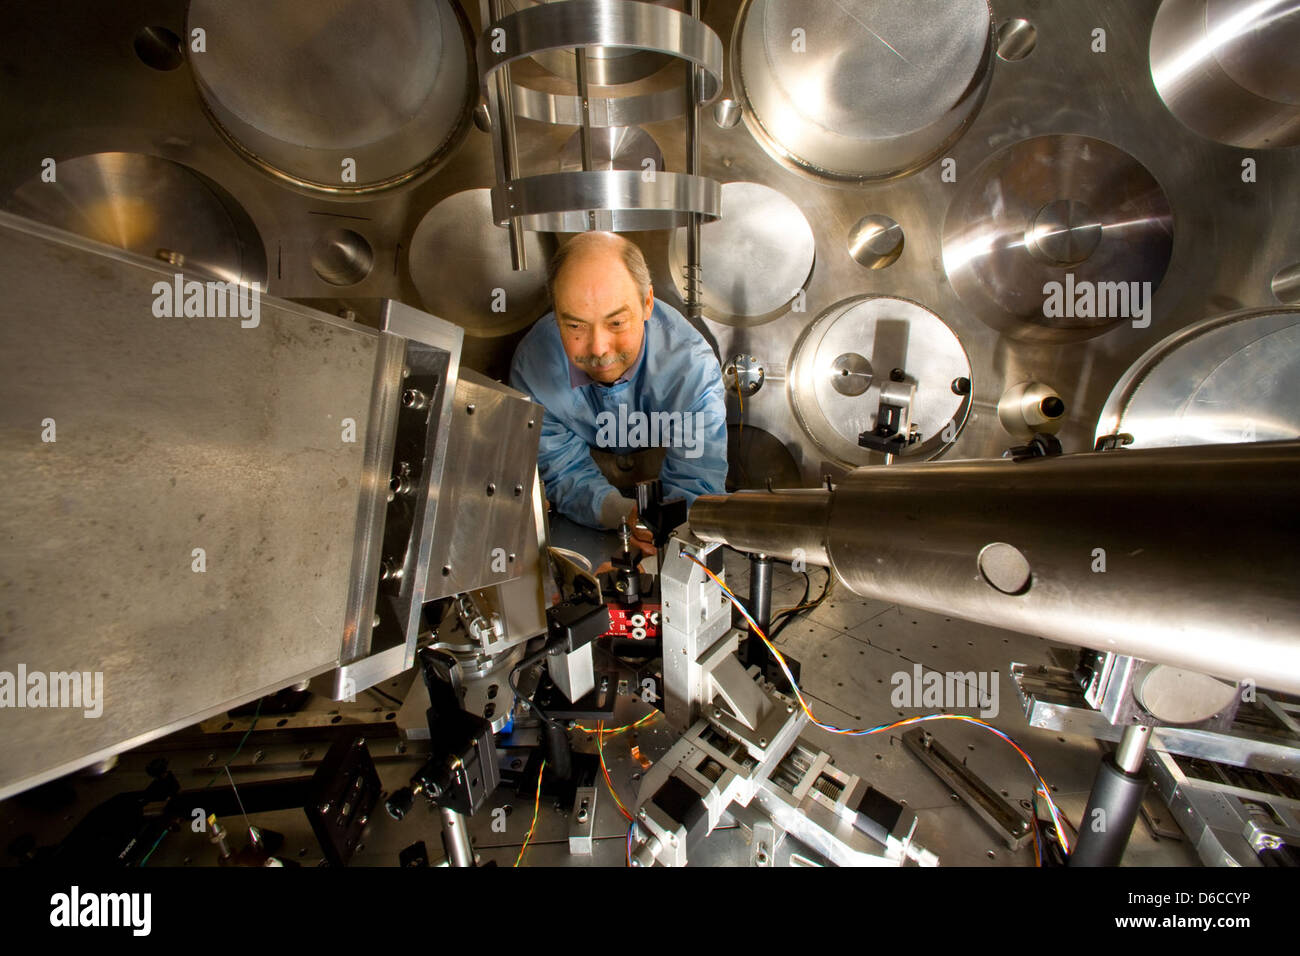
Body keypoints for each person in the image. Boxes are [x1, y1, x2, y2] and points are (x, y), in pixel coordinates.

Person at [509, 232, 727, 550]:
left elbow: (697, 480)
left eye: (616, 323)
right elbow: (562, 469)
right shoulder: (533, 368)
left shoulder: (691, 368)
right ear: (556, 313)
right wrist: (624, 515)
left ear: (647, 303)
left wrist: (674, 537)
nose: (598, 349)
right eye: (575, 326)